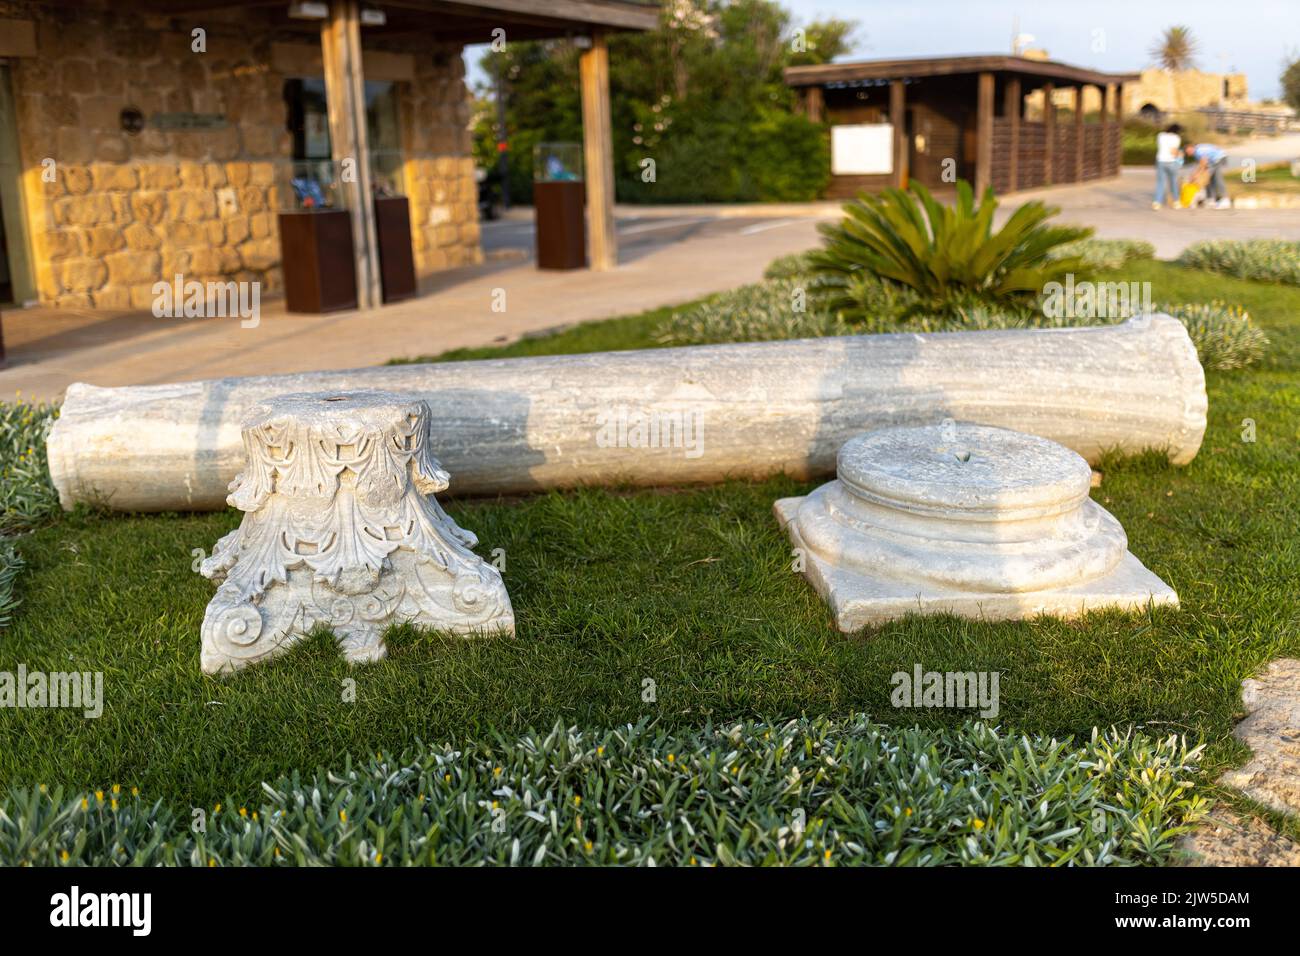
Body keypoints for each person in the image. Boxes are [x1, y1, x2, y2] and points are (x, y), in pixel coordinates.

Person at [1184, 142, 1231, 209]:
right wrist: (1196, 174)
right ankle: (1211, 199)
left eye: (1188, 151)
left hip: (1218, 159)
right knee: (1208, 180)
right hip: (1213, 160)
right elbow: (1202, 164)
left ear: (1192, 148)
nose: (1188, 154)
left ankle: (1225, 200)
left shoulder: (1198, 151)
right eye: (1187, 152)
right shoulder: (1197, 151)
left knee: (1217, 179)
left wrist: (1196, 175)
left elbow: (1203, 163)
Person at [1153, 123, 1182, 210]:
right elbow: (1173, 151)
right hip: (1171, 162)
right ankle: (1176, 202)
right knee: (1173, 182)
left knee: (1160, 183)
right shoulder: (1176, 138)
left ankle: (1157, 203)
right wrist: (1180, 155)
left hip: (1160, 161)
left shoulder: (1160, 135)